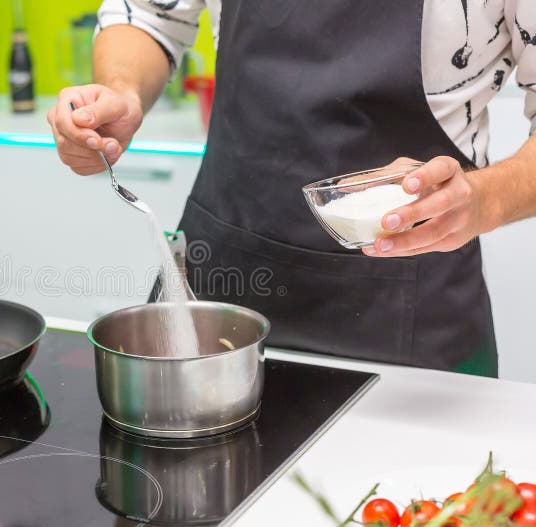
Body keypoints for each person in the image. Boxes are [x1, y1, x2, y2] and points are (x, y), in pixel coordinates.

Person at [47, 1, 536, 377]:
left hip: (412, 321)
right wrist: (121, 90)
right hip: (221, 290)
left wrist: (482, 200)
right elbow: (151, 14)